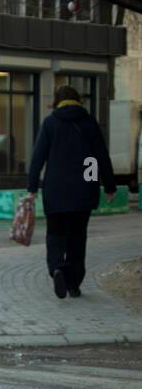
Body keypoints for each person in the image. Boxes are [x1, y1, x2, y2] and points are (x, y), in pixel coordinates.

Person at [26, 85, 117, 300]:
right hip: (84, 190)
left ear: (56, 101)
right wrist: (109, 186)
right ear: (78, 100)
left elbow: (38, 157)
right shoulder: (89, 122)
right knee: (77, 238)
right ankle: (74, 283)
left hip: (56, 191)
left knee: (56, 234)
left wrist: (32, 188)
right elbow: (101, 157)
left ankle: (57, 268)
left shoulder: (50, 123)